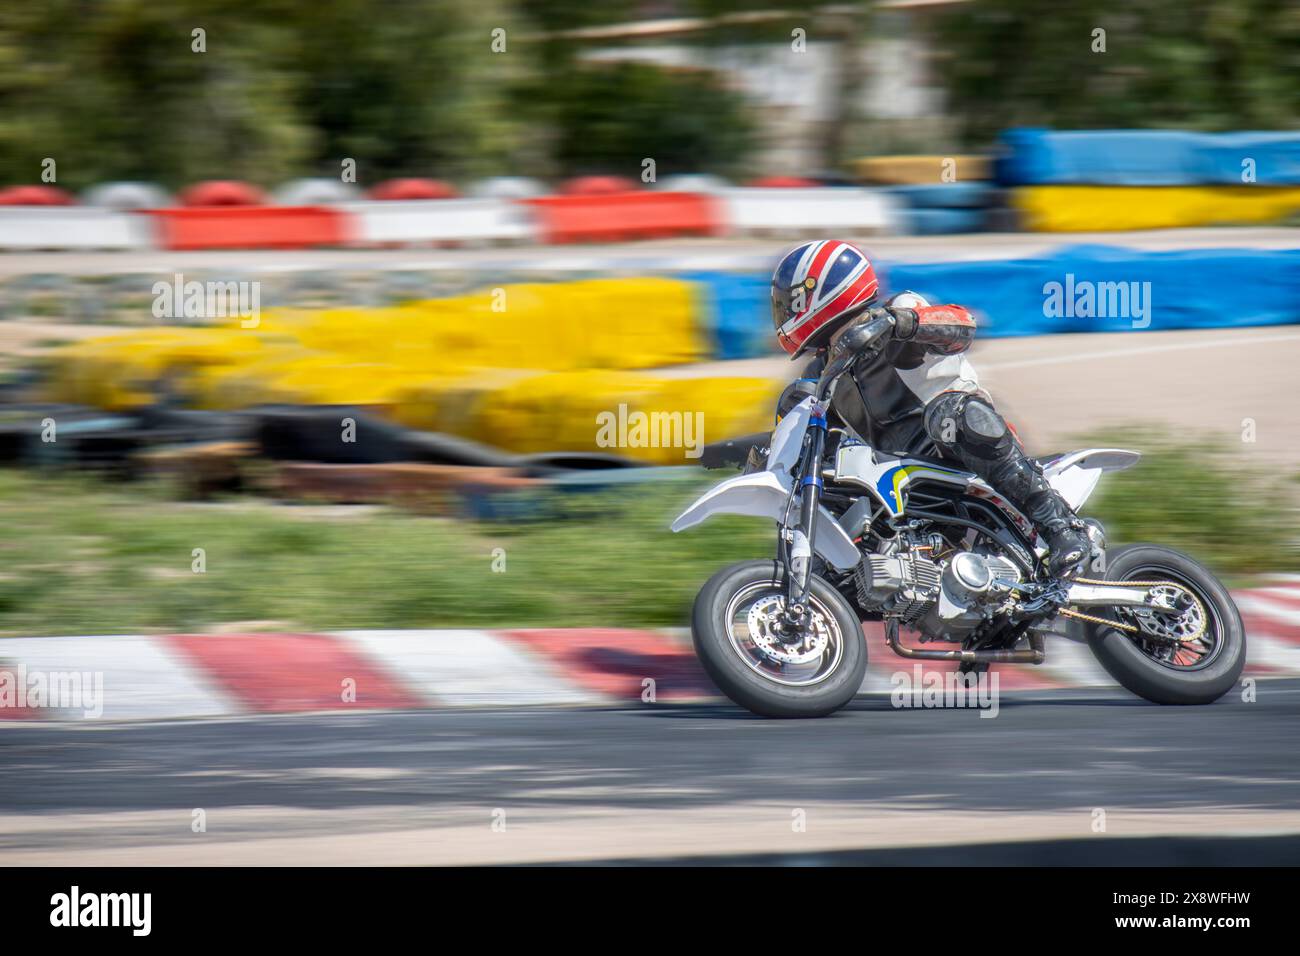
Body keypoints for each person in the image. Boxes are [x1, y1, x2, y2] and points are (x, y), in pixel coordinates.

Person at [771, 239, 1089, 577]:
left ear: (825, 289)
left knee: (951, 414)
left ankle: (1063, 530)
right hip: (896, 480)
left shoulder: (898, 311)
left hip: (954, 449)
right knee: (823, 479)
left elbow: (962, 326)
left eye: (792, 302)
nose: (786, 311)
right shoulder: (821, 375)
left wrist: (900, 322)